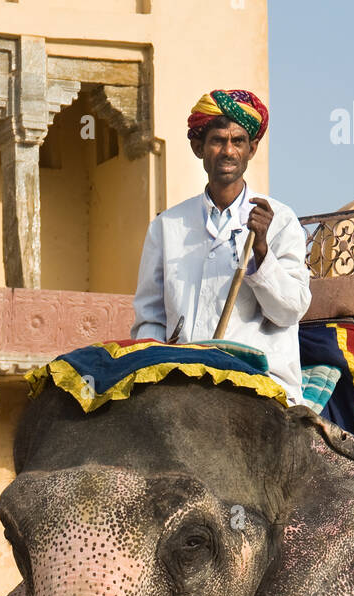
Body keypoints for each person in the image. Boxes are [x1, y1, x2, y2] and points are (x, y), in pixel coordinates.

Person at [131, 89, 311, 405]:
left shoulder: (280, 221)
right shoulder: (167, 226)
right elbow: (149, 318)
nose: (228, 151)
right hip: (184, 381)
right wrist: (156, 370)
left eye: (238, 141)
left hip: (260, 384)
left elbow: (291, 310)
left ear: (252, 149)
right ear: (199, 147)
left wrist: (262, 253)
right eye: (218, 141)